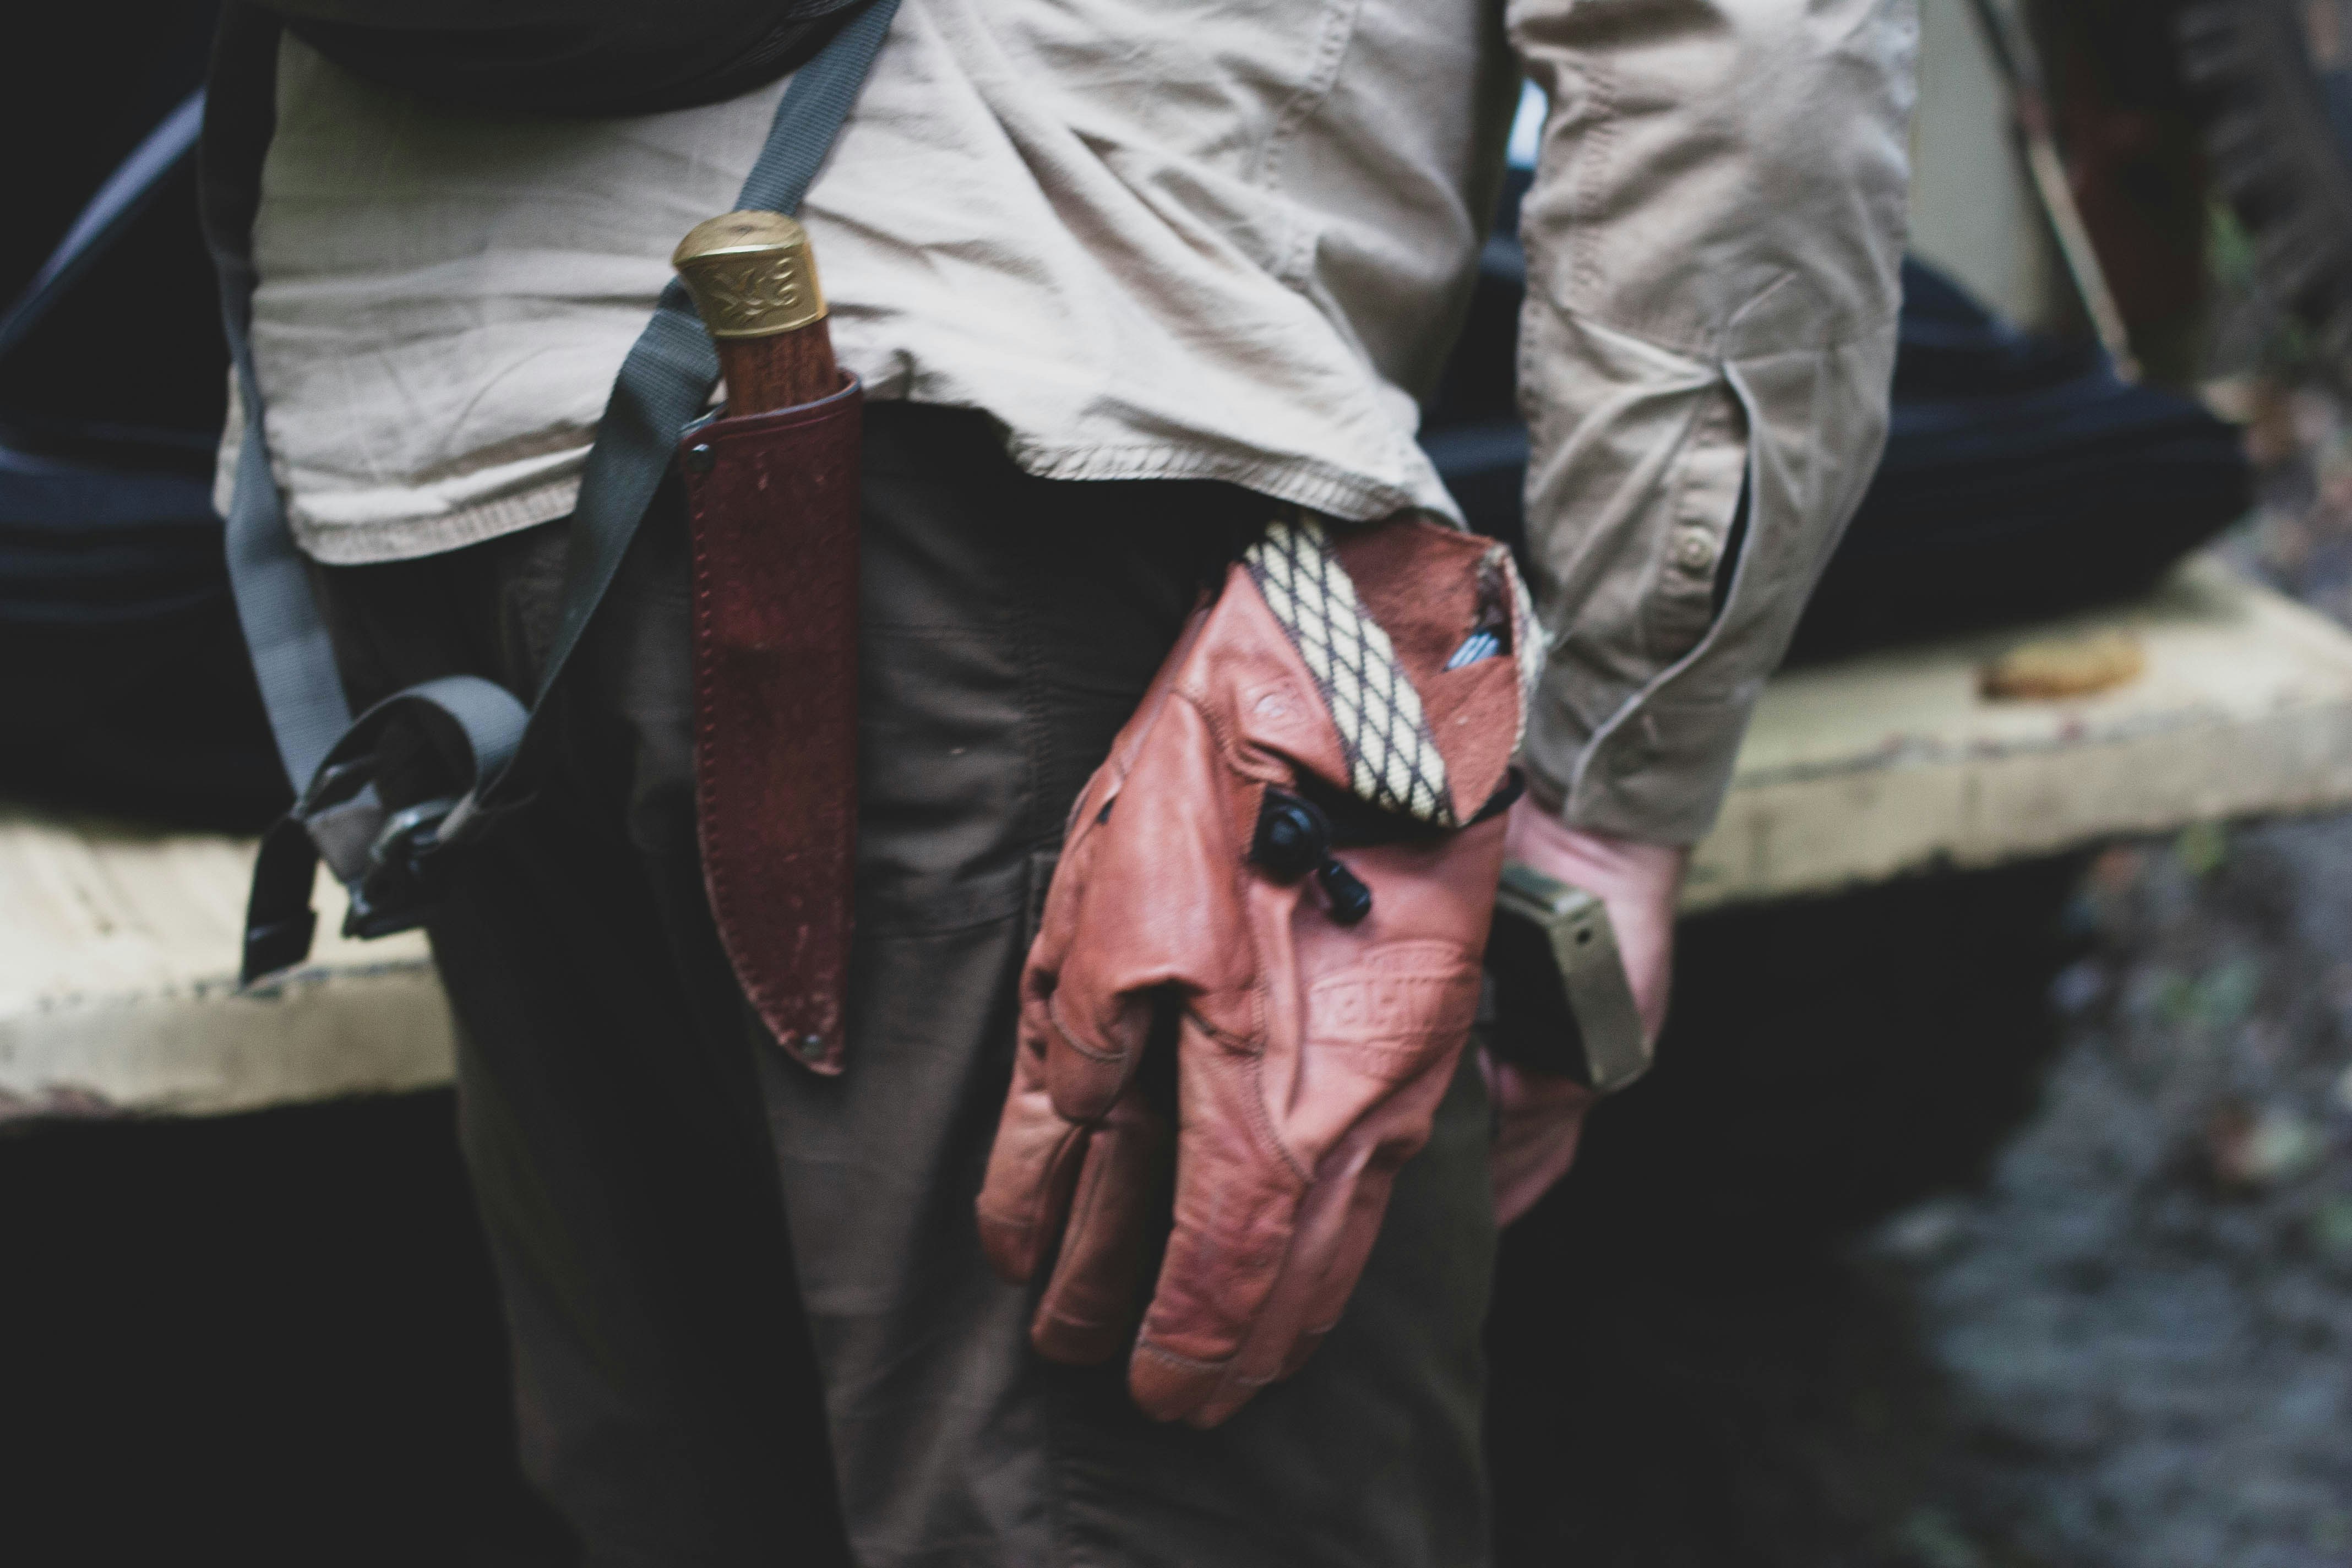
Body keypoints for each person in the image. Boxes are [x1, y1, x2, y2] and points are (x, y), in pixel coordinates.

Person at [209, 0, 1914, 1560]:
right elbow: (1756, 52)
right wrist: (1617, 777)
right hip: (1026, 452)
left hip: (423, 483)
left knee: (711, 1492)